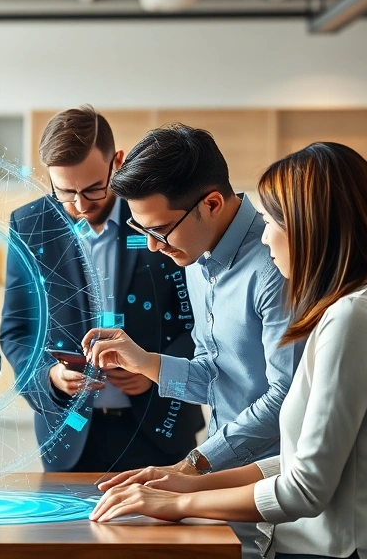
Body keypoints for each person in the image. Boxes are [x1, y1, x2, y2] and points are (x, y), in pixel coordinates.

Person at [89, 142, 367, 559]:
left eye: (271, 219)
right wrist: (192, 480)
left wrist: (180, 499)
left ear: (312, 227)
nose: (265, 234)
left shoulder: (354, 319)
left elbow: (303, 488)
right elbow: (304, 463)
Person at [90, 124, 301, 482]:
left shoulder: (275, 264)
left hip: (277, 485)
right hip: (221, 473)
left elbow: (287, 397)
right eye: (143, 231)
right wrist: (146, 363)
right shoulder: (195, 254)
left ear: (212, 203)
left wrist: (193, 464)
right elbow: (217, 377)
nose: (154, 246)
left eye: (160, 230)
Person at [0, 106, 202, 473]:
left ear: (118, 162)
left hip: (161, 428)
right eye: (65, 192)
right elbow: (16, 331)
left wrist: (156, 371)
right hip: (69, 439)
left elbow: (198, 320)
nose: (79, 205)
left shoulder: (159, 213)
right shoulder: (29, 225)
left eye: (93, 188)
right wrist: (50, 377)